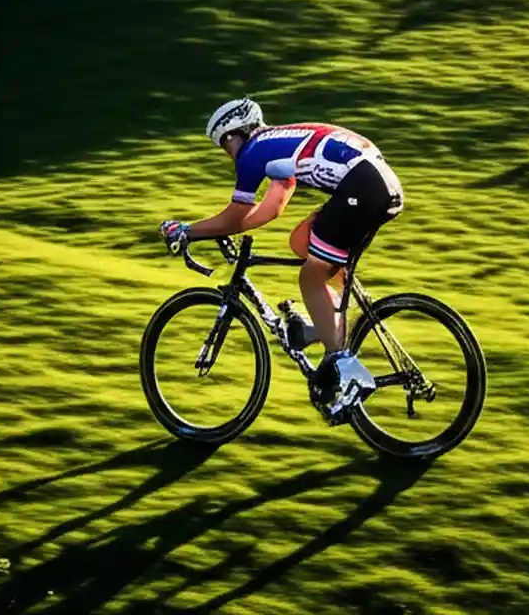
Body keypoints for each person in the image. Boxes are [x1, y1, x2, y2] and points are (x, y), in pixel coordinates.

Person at [158, 97, 403, 423]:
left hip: (364, 186)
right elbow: (272, 208)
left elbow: (236, 215)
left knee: (309, 277)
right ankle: (324, 328)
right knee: (301, 242)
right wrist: (214, 230)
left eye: (224, 145)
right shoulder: (276, 146)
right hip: (378, 183)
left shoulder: (253, 152)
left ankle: (346, 376)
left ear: (234, 134)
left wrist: (189, 231)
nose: (227, 153)